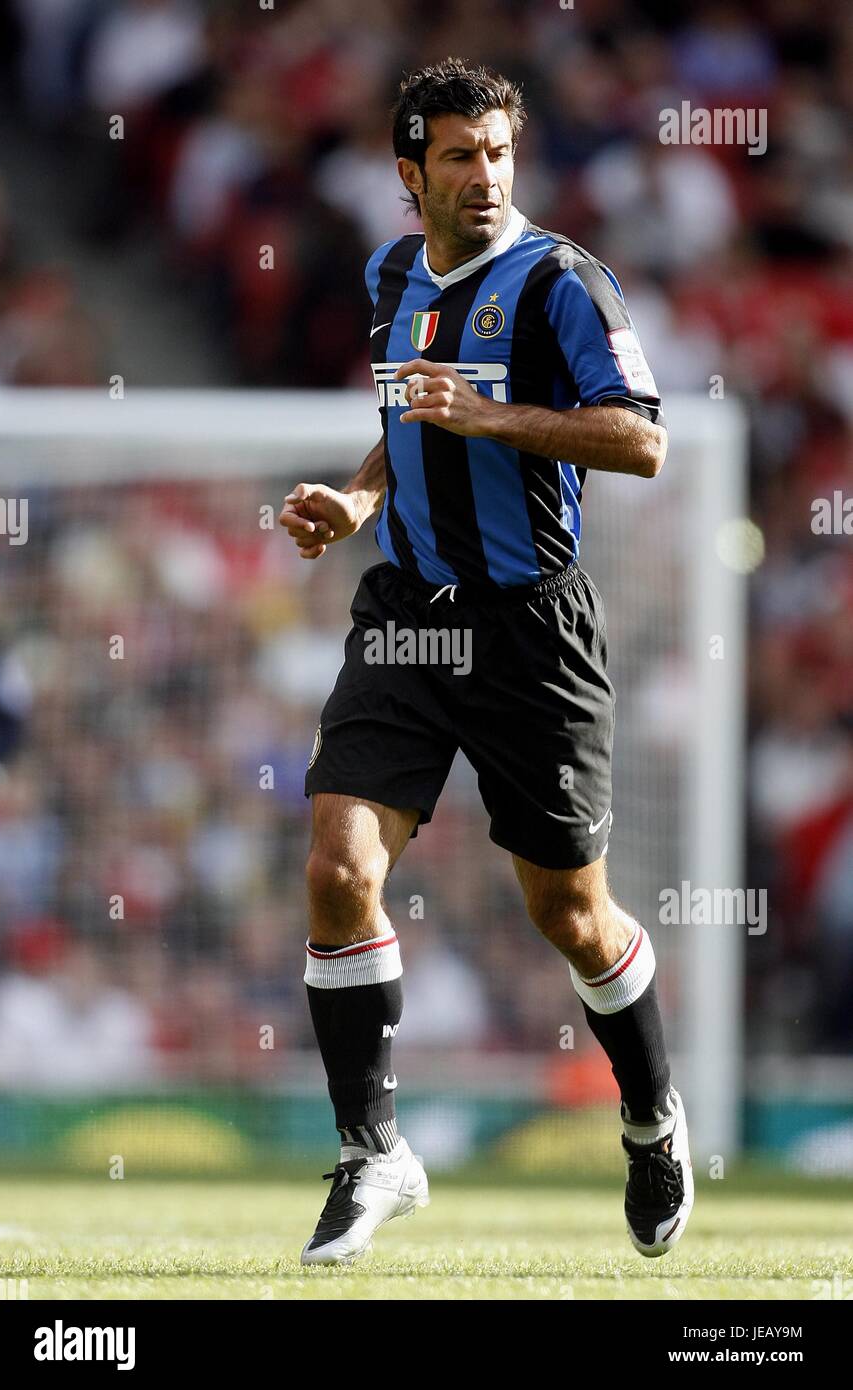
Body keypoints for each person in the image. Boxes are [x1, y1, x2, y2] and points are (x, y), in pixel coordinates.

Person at [279, 58, 693, 1266]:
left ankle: (652, 1115)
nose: (483, 175)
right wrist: (357, 503)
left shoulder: (562, 280)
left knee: (567, 910)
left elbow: (642, 440)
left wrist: (490, 412)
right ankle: (374, 1152)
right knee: (336, 864)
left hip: (529, 631)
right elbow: (402, 414)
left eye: (498, 153)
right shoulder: (390, 271)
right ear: (409, 175)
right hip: (409, 612)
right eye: (457, 156)